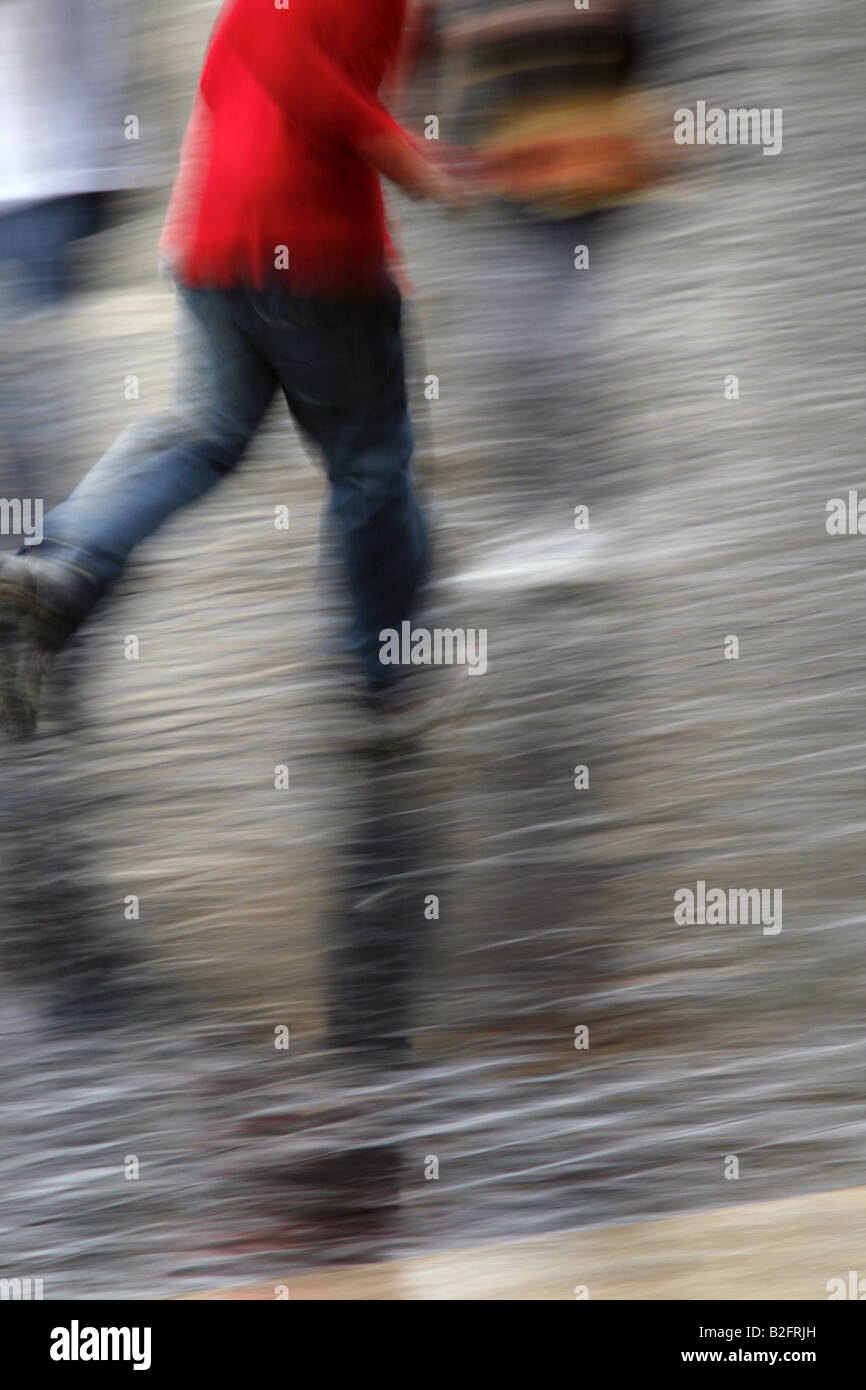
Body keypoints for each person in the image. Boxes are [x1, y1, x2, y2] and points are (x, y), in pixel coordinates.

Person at [0, 0, 467, 739]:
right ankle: (387, 676)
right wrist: (407, 158)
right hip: (316, 254)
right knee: (371, 463)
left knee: (206, 433)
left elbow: (230, 75)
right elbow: (299, 72)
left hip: (216, 242)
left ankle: (62, 563)